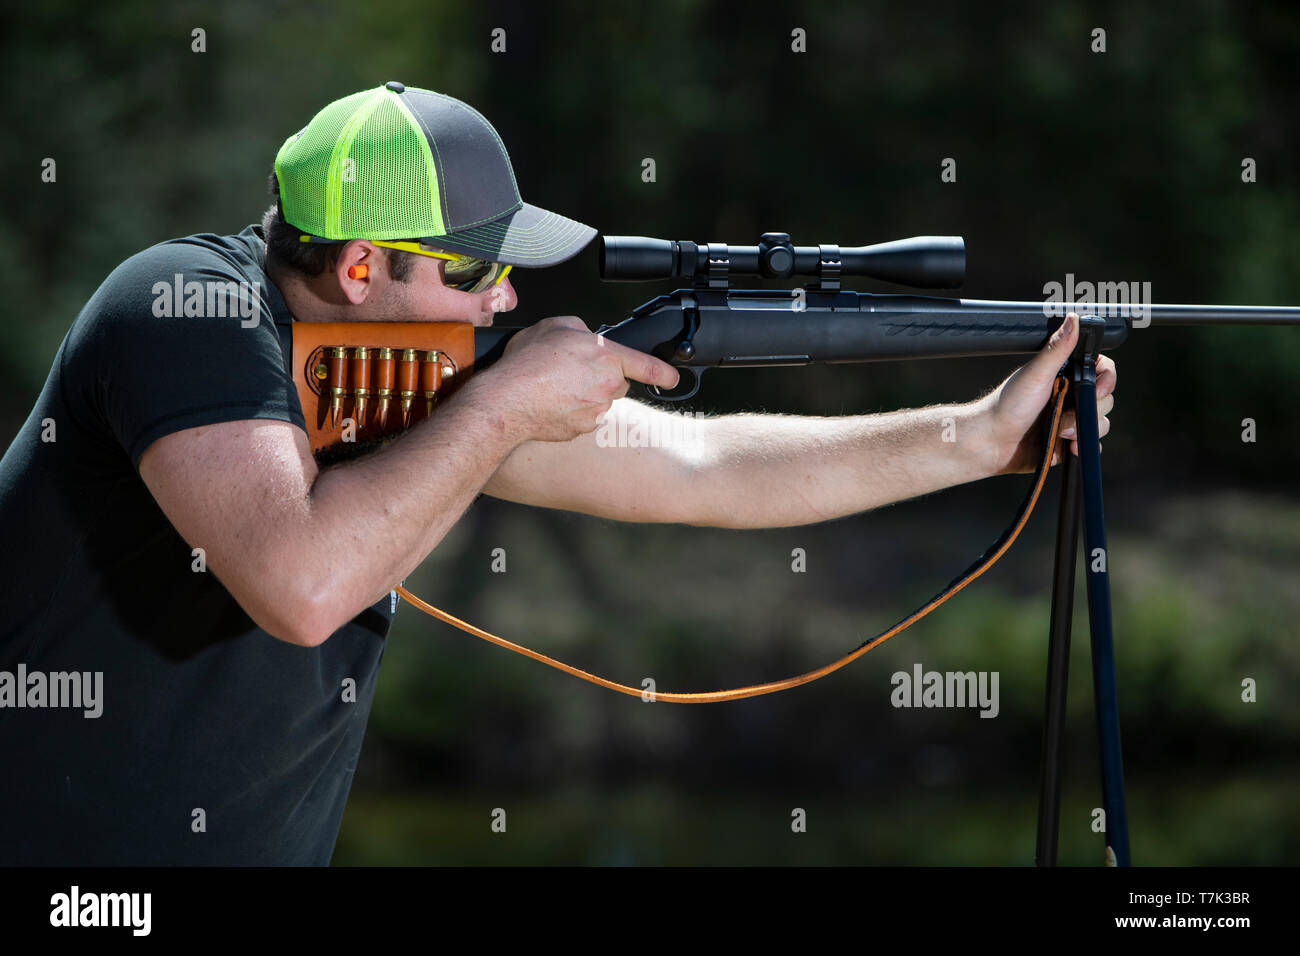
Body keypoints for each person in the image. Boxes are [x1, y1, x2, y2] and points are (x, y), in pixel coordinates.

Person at [0, 83, 1115, 865]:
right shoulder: (180, 307)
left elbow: (703, 467)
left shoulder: (412, 379)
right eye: (479, 269)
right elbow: (301, 581)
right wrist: (498, 406)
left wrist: (974, 438)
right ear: (357, 266)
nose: (503, 302)